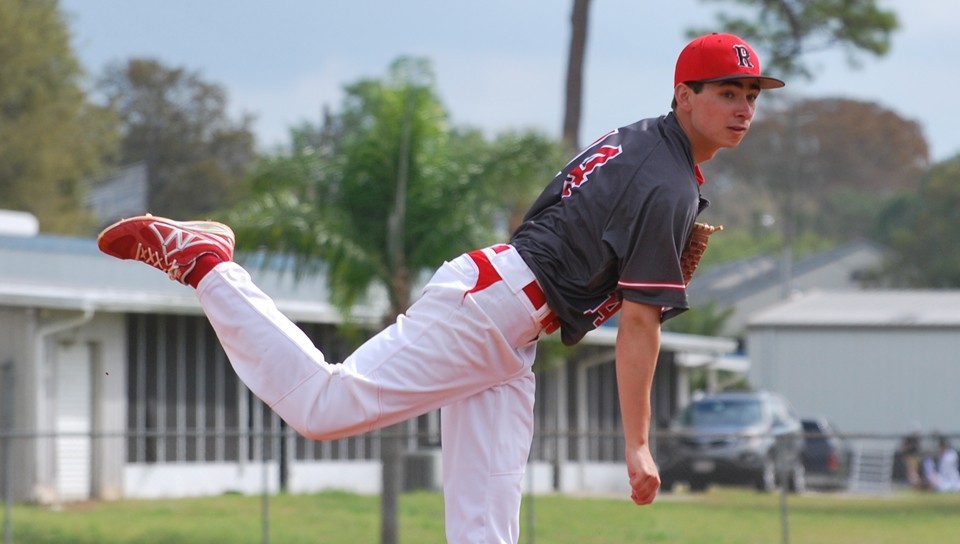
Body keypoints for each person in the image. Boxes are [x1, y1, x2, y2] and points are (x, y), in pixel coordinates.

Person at [97, 33, 783, 543]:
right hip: (493, 309)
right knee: (323, 405)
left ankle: (210, 265)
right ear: (684, 95)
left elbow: (562, 230)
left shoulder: (645, 144)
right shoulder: (664, 183)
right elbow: (640, 325)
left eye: (751, 95)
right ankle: (209, 265)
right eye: (728, 92)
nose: (744, 107)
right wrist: (637, 443)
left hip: (507, 319)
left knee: (485, 527)